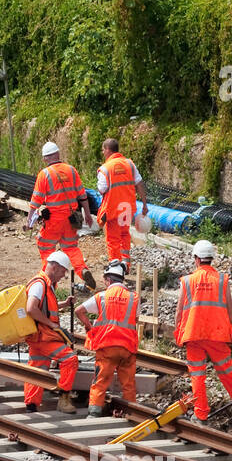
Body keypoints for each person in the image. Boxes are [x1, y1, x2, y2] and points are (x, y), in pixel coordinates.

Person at [174, 240, 232, 422]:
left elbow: (179, 311)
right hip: (217, 334)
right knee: (226, 370)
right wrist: (231, 332)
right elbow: (230, 310)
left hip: (193, 334)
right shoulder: (221, 280)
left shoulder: (187, 281)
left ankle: (200, 414)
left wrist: (178, 334)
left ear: (196, 259)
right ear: (211, 259)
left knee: (197, 375)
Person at [28, 141, 96, 290]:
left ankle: (49, 282)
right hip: (71, 219)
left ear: (45, 158)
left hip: (53, 220)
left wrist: (29, 222)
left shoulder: (44, 174)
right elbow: (82, 195)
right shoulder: (71, 170)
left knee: (46, 247)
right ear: (58, 154)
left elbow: (36, 201)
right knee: (71, 248)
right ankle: (82, 270)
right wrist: (88, 215)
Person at [76, 260, 140, 417]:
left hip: (107, 346)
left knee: (101, 380)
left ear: (109, 280)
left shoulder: (102, 296)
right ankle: (131, 412)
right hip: (127, 348)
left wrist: (89, 327)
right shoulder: (133, 298)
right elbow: (135, 320)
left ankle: (94, 412)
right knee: (129, 384)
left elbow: (79, 311)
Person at [23, 251, 80, 414]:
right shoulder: (40, 284)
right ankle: (64, 399)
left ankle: (31, 406)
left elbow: (45, 308)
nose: (63, 276)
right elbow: (31, 308)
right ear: (55, 267)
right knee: (70, 359)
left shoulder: (45, 284)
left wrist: (63, 304)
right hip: (44, 336)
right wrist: (50, 324)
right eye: (63, 272)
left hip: (38, 336)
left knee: (38, 369)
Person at [95, 138, 148, 268]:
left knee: (113, 239)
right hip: (127, 208)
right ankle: (126, 265)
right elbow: (139, 183)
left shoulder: (105, 169)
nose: (103, 152)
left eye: (103, 150)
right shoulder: (129, 164)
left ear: (108, 150)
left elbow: (102, 189)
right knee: (124, 234)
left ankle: (116, 269)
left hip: (113, 210)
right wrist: (145, 204)